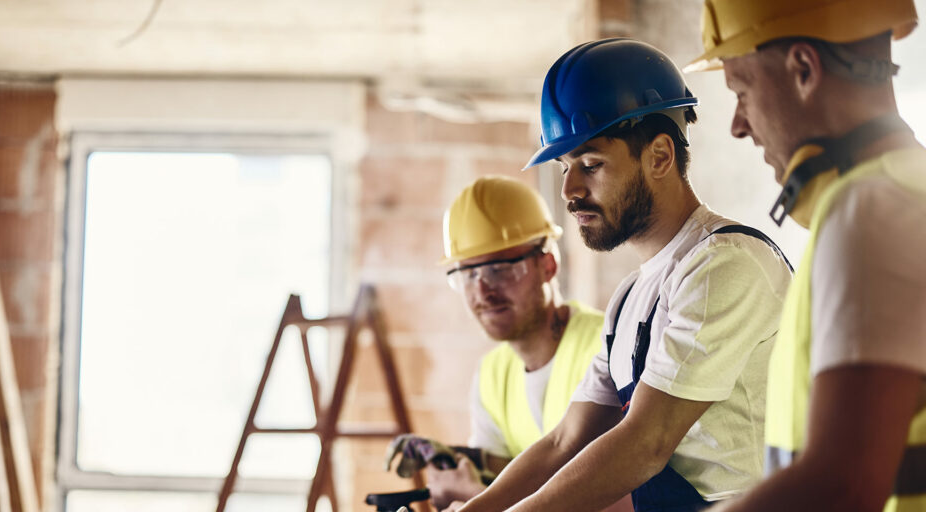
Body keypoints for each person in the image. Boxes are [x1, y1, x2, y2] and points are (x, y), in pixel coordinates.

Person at [446, 38, 792, 512]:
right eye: (566, 167)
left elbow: (645, 444)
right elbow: (565, 441)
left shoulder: (724, 265)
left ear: (660, 156)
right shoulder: (631, 296)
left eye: (590, 165)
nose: (569, 190)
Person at [685, 1, 926, 510]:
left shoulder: (872, 208)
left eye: (740, 90)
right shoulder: (906, 192)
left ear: (803, 70)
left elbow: (840, 484)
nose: (737, 125)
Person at [386, 176, 630, 512]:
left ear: (548, 265)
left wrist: (474, 496)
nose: (483, 291)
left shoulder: (608, 346)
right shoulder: (492, 373)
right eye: (468, 274)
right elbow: (506, 470)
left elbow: (626, 489)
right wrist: (460, 459)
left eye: (499, 269)